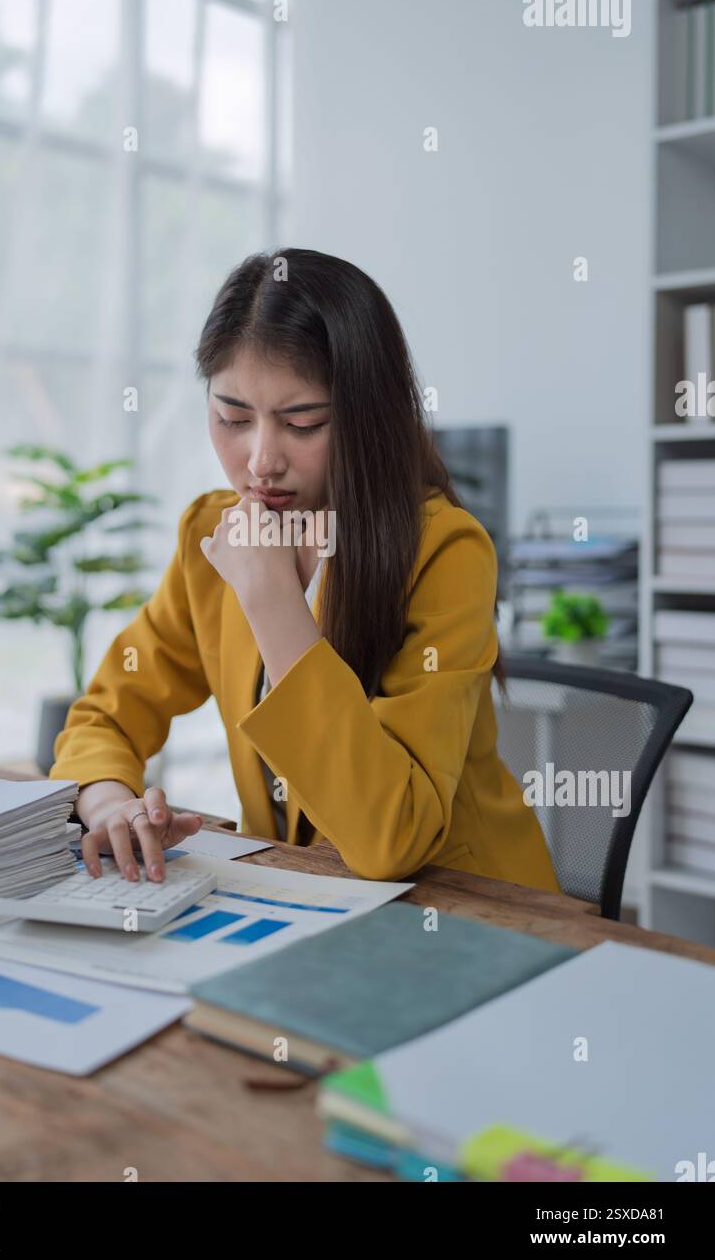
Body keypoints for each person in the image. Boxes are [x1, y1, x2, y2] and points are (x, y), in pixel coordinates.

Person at [50, 247, 561, 895]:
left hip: (467, 907)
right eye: (233, 417)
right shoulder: (211, 535)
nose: (261, 461)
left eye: (302, 423)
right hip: (309, 898)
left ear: (366, 416)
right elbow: (108, 713)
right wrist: (107, 802)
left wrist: (271, 600)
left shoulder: (445, 551)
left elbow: (390, 838)